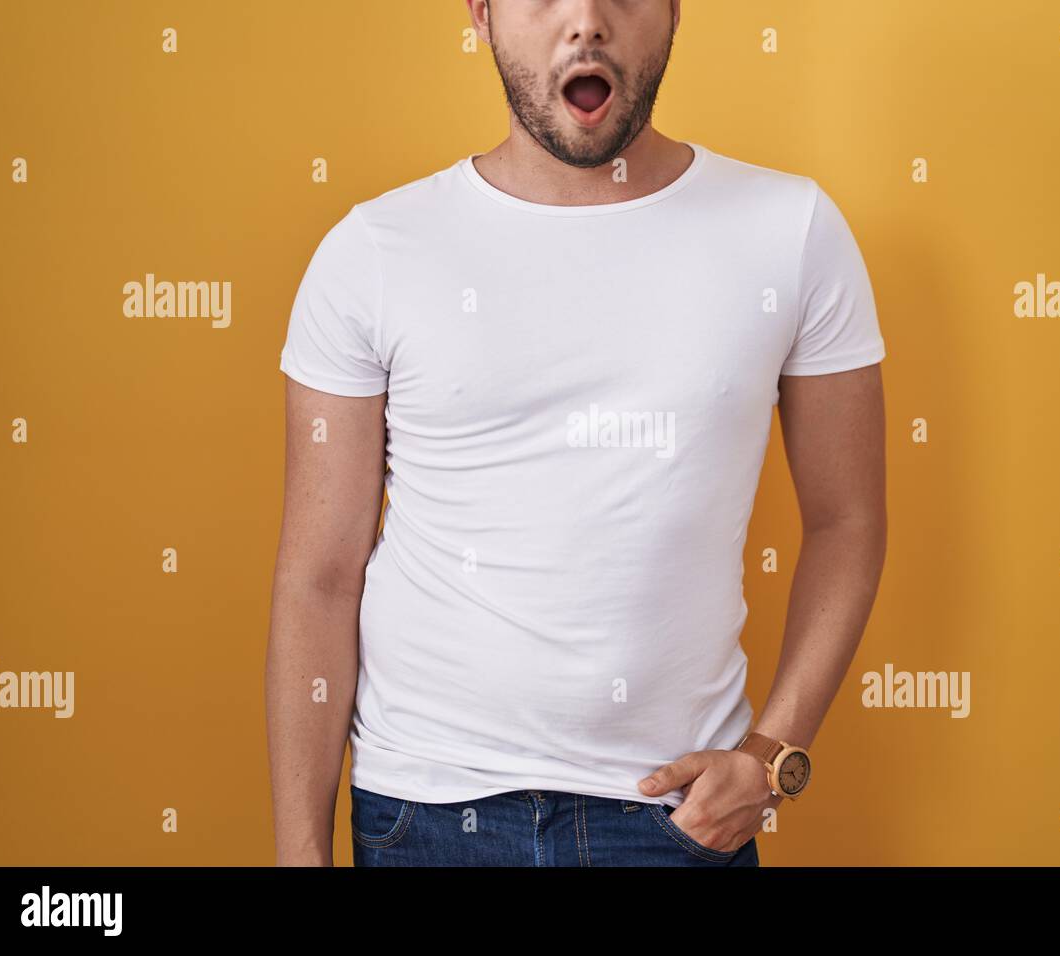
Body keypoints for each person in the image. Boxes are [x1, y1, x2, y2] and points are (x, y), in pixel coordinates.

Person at [266, 0, 887, 867]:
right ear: (481, 13)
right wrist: (301, 858)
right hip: (426, 813)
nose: (586, 21)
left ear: (673, 13)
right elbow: (321, 578)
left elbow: (847, 520)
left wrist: (771, 756)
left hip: (676, 820)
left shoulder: (791, 231)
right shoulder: (374, 251)